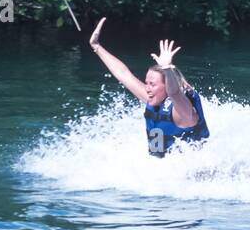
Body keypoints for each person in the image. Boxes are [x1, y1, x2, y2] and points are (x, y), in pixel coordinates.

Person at [88, 17, 209, 157]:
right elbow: (123, 74)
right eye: (146, 83)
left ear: (166, 87)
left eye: (153, 84)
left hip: (197, 174)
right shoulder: (153, 98)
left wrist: (167, 69)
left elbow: (175, 92)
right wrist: (96, 46)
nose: (147, 88)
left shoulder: (183, 113)